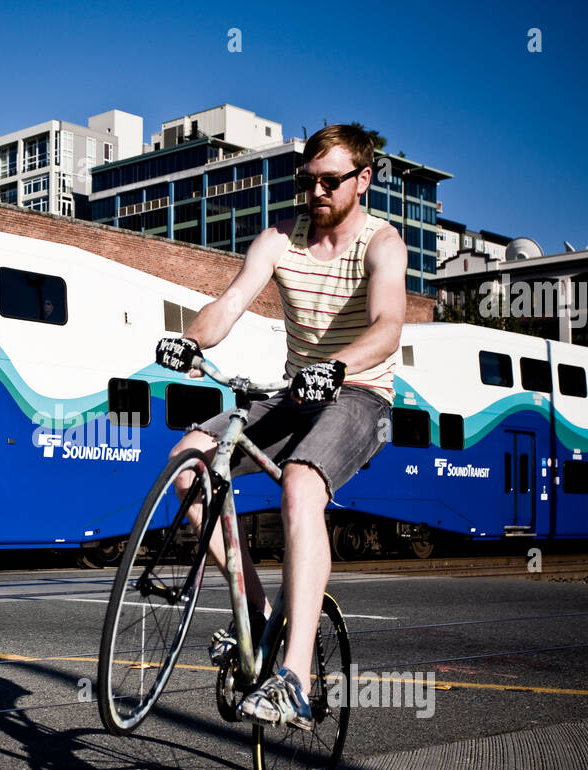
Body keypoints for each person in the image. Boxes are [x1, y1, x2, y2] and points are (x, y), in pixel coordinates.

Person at [155, 124, 406, 729]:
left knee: (300, 484)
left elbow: (389, 324)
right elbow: (230, 304)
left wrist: (336, 367)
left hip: (358, 396)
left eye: (330, 181)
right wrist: (189, 340)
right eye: (306, 181)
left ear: (362, 179)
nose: (315, 192)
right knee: (188, 458)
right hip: (295, 395)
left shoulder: (382, 243)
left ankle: (294, 674)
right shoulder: (278, 240)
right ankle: (262, 616)